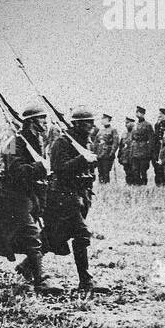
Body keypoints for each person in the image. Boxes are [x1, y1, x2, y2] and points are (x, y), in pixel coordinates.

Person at [0, 104, 61, 294]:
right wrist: (40, 167)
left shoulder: (38, 140)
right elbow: (13, 170)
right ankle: (41, 280)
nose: (45, 122)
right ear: (32, 121)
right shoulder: (11, 139)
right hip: (11, 197)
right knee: (33, 236)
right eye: (42, 118)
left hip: (28, 196)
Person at [44, 107, 109, 293]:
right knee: (81, 234)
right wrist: (83, 159)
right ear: (78, 124)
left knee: (58, 234)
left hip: (81, 195)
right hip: (64, 197)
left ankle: (27, 266)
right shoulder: (62, 143)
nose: (92, 125)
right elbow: (59, 169)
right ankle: (86, 282)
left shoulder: (83, 141)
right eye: (88, 122)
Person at [126, 107, 154, 185]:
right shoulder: (134, 125)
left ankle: (143, 185)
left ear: (143, 114)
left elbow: (151, 140)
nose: (137, 114)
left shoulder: (148, 125)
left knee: (143, 170)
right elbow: (132, 138)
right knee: (135, 170)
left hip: (143, 151)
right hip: (135, 151)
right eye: (136, 112)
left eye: (139, 112)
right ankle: (137, 185)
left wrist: (149, 152)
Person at [92, 113, 120, 183]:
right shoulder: (100, 131)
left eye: (103, 119)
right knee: (100, 171)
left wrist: (112, 153)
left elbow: (115, 143)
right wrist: (95, 153)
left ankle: (106, 185)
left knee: (106, 171)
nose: (102, 120)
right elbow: (95, 142)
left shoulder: (113, 130)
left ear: (107, 120)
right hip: (99, 154)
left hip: (107, 154)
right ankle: (101, 185)